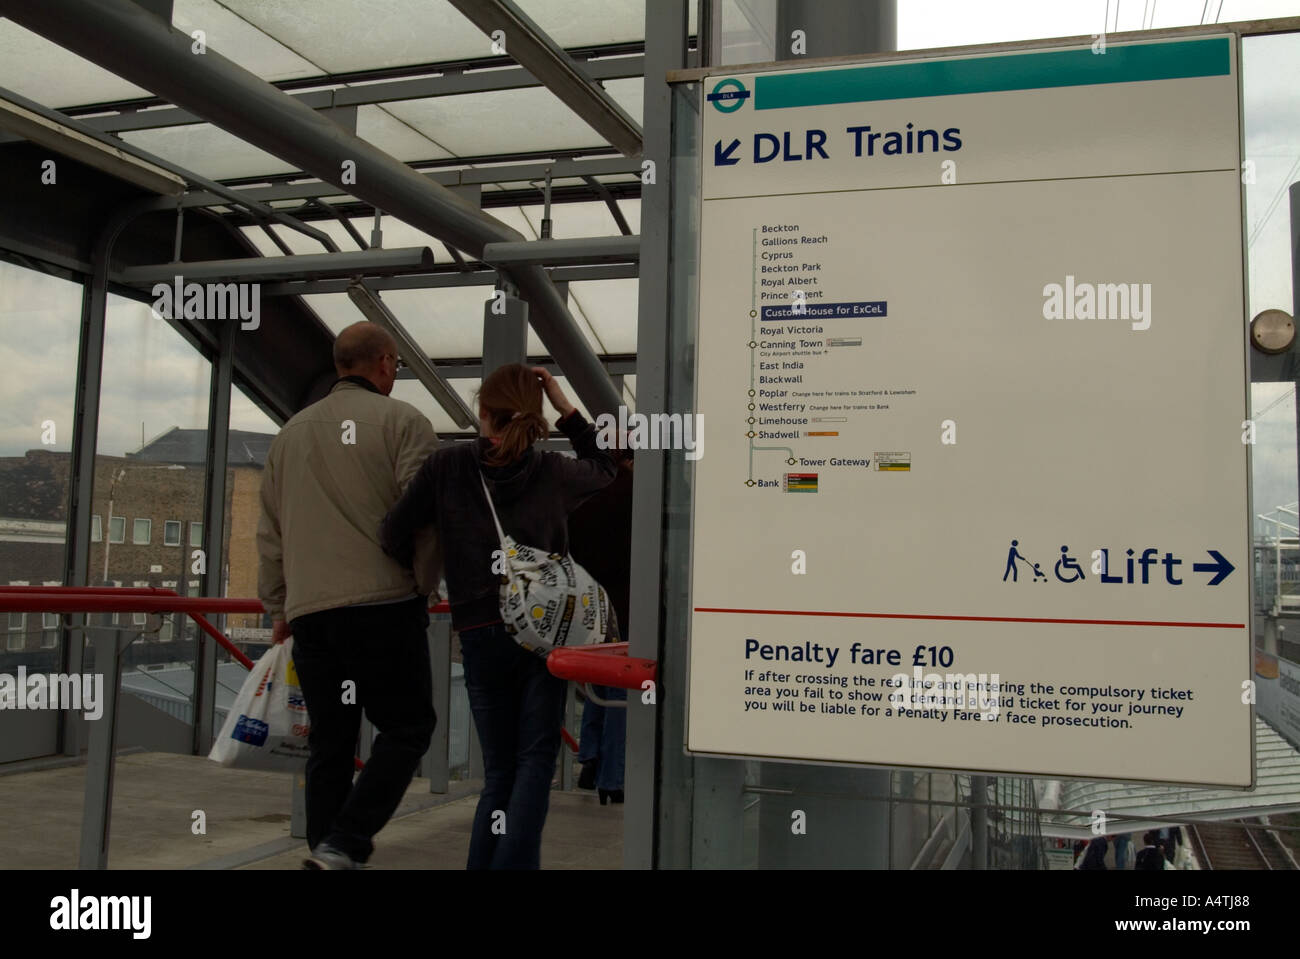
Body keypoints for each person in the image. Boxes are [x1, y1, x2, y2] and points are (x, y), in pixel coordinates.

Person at [380, 363, 616, 869]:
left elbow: (394, 532)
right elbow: (606, 464)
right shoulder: (553, 471)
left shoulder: (447, 467)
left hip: (479, 627)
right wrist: (563, 402)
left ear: (482, 413)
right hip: (544, 633)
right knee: (535, 762)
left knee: (500, 772)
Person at [257, 321, 440, 870]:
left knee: (330, 746)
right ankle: (346, 841)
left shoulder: (289, 435)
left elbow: (270, 533)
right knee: (408, 728)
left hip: (313, 615)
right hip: (385, 607)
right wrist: (423, 587)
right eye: (397, 365)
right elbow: (426, 517)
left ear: (340, 366)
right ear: (384, 363)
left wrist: (279, 606)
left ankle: (326, 854)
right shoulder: (405, 423)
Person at [568, 449, 634, 805]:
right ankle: (614, 779)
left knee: (599, 683)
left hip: (589, 606)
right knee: (621, 692)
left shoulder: (581, 492)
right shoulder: (635, 491)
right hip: (628, 604)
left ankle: (590, 759)